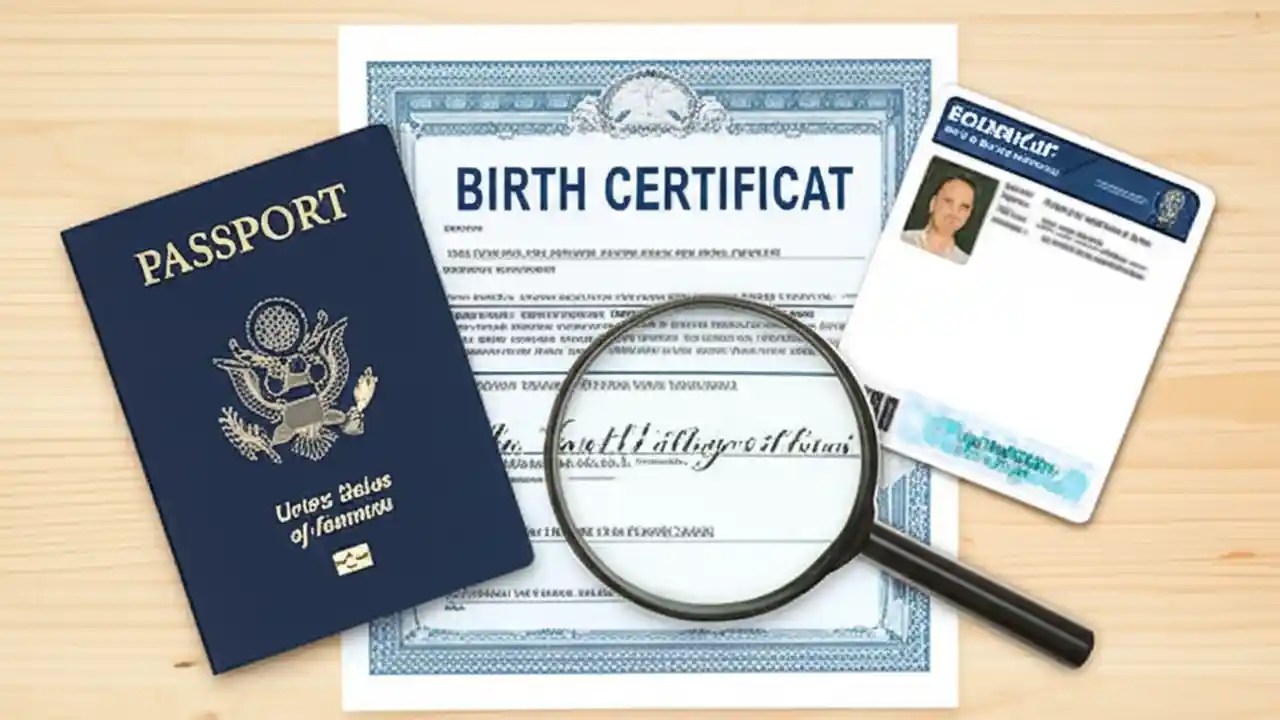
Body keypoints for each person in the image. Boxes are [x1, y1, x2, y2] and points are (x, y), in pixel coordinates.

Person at [901, 175, 976, 264]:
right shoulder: (901, 238)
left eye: (964, 207)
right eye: (948, 202)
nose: (955, 212)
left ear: (969, 214)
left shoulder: (965, 262)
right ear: (933, 203)